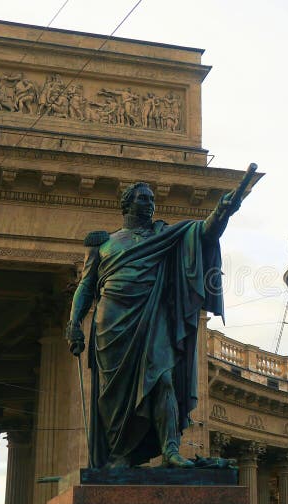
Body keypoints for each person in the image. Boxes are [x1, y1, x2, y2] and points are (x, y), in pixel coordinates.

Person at [66, 171, 252, 468]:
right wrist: (74, 323)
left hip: (154, 317)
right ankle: (121, 455)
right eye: (143, 198)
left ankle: (170, 448)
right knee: (114, 394)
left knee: (162, 379)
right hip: (112, 322)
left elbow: (204, 233)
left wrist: (222, 212)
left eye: (152, 200)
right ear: (126, 205)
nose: (150, 204)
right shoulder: (104, 244)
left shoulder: (165, 236)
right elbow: (86, 287)